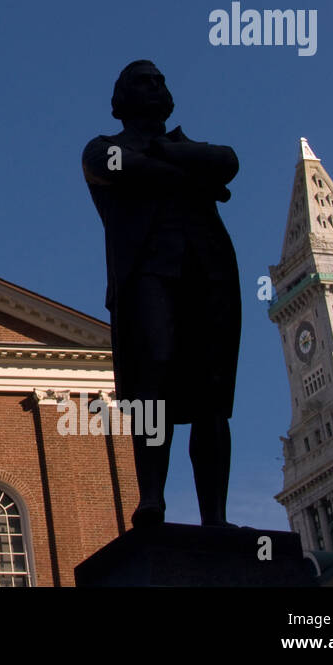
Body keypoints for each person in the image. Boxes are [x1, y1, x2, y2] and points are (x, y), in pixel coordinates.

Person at [82, 60, 240, 527]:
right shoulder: (103, 148)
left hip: (208, 272)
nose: (155, 87)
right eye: (143, 82)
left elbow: (228, 162)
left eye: (160, 81)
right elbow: (117, 167)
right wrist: (186, 172)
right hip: (146, 277)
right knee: (154, 383)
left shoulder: (190, 146)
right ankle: (152, 498)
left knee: (212, 398)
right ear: (122, 100)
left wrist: (167, 161)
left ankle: (216, 518)